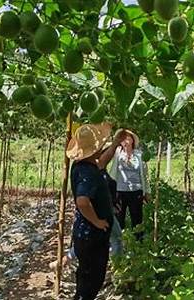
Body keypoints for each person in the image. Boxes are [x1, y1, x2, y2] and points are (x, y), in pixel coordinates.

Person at [65, 123, 126, 300]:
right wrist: (97, 221)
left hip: (87, 235)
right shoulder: (88, 173)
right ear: (93, 151)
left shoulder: (83, 165)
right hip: (91, 235)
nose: (101, 148)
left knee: (85, 277)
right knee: (91, 281)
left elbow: (102, 161)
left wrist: (115, 143)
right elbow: (83, 202)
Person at [110, 129, 150, 240]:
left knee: (137, 219)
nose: (125, 141)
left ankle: (139, 242)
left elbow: (145, 176)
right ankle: (118, 242)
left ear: (132, 140)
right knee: (119, 218)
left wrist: (147, 192)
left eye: (128, 138)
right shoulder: (118, 153)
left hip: (136, 191)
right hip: (120, 191)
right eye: (122, 138)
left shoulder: (139, 155)